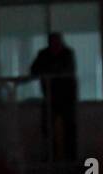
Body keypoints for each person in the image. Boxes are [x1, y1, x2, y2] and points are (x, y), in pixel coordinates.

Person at [30, 32, 79, 160]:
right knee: (47, 128)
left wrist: (48, 70)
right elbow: (34, 70)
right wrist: (50, 70)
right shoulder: (44, 54)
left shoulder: (67, 53)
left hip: (67, 97)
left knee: (69, 128)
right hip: (50, 97)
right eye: (52, 43)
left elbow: (66, 70)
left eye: (57, 43)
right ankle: (51, 156)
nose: (55, 46)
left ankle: (70, 158)